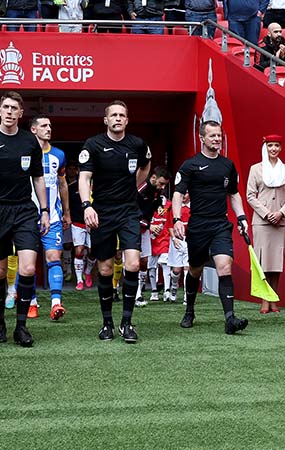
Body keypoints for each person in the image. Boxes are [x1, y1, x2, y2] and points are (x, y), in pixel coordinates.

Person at [0, 91, 50, 348]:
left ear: (20, 113)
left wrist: (45, 209)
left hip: (25, 210)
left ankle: (22, 327)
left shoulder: (30, 142)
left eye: (14, 108)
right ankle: (1, 324)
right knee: (1, 272)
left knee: (27, 269)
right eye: (5, 107)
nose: (9, 111)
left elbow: (38, 178)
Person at [78, 100, 152, 343]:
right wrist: (87, 205)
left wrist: (136, 186)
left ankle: (127, 323)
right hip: (102, 211)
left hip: (129, 210)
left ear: (127, 120)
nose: (118, 118)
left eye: (122, 115)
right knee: (106, 269)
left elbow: (146, 165)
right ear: (106, 120)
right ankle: (107, 322)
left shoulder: (137, 144)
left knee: (132, 264)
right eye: (114, 115)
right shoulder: (94, 144)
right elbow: (84, 177)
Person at [171, 120, 249, 334]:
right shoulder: (190, 165)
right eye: (213, 135)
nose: (217, 139)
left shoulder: (227, 165)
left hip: (220, 225)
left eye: (219, 136)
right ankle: (189, 310)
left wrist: (241, 217)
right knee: (195, 270)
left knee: (224, 266)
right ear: (202, 138)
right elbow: (177, 194)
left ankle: (230, 319)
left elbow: (233, 194)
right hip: (198, 226)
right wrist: (177, 219)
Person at [245, 134, 285, 314]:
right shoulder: (256, 169)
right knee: (263, 262)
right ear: (265, 147)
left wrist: (281, 213)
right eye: (270, 145)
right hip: (261, 222)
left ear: (280, 148)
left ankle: (274, 299)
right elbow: (250, 195)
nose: (273, 149)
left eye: (276, 146)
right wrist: (267, 214)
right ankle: (264, 300)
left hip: (280, 222)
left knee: (276, 263)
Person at [28, 115, 69, 321]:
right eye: (44, 126)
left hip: (53, 217)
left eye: (50, 125)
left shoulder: (59, 155)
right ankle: (31, 303)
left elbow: (62, 185)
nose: (49, 128)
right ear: (34, 130)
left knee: (54, 257)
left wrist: (67, 213)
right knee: (29, 263)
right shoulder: (24, 152)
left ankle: (55, 304)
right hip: (27, 218)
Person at [135, 166, 171, 306]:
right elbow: (132, 213)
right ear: (153, 178)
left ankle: (139, 292)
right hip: (131, 229)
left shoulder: (157, 192)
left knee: (144, 261)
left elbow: (153, 208)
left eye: (165, 185)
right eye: (161, 183)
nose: (162, 187)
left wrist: (158, 209)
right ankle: (133, 293)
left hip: (144, 230)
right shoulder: (140, 190)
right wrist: (149, 225)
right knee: (132, 262)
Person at [66, 162, 95, 290]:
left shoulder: (98, 187)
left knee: (92, 252)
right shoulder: (72, 187)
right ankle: (79, 280)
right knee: (78, 250)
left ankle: (87, 272)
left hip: (94, 223)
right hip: (78, 222)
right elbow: (67, 203)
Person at [165, 192, 190, 303]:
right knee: (176, 270)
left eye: (186, 193)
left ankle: (187, 296)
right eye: (182, 193)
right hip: (177, 240)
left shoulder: (194, 207)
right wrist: (174, 238)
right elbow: (170, 225)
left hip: (189, 240)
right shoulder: (174, 207)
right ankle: (174, 287)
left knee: (187, 268)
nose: (184, 196)